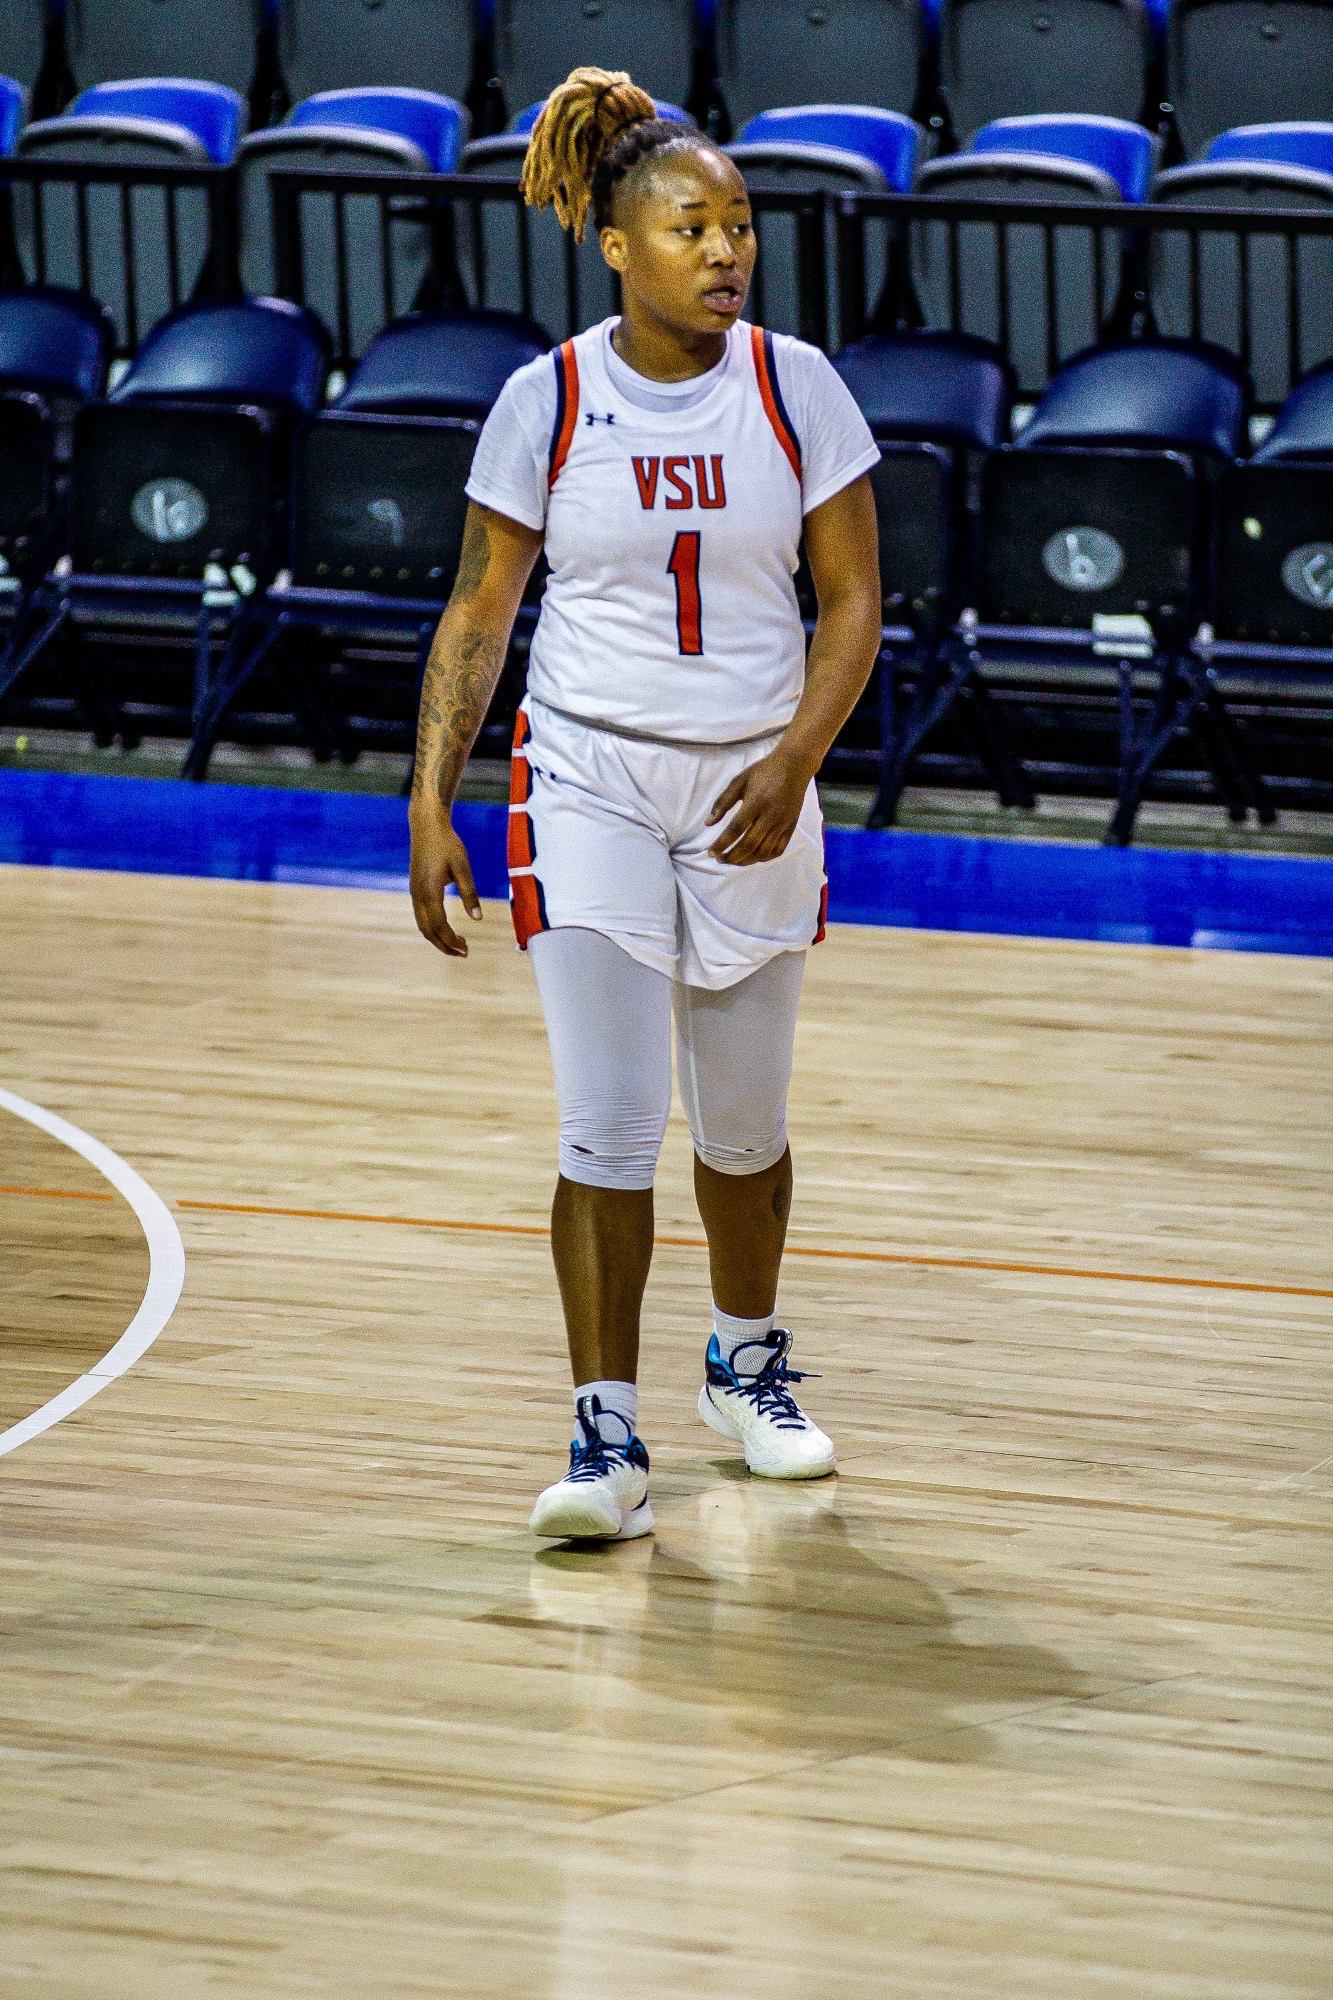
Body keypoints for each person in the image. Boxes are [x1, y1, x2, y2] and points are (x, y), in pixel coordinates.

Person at [408, 67, 882, 1542]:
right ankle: (604, 1441)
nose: (726, 250)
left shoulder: (796, 385)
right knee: (607, 1124)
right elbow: (479, 612)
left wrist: (795, 760)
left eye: (738, 225)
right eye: (692, 228)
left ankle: (743, 1363)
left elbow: (854, 604)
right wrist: (429, 798)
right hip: (589, 776)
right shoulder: (545, 399)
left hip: (751, 779)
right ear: (617, 246)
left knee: (741, 1126)